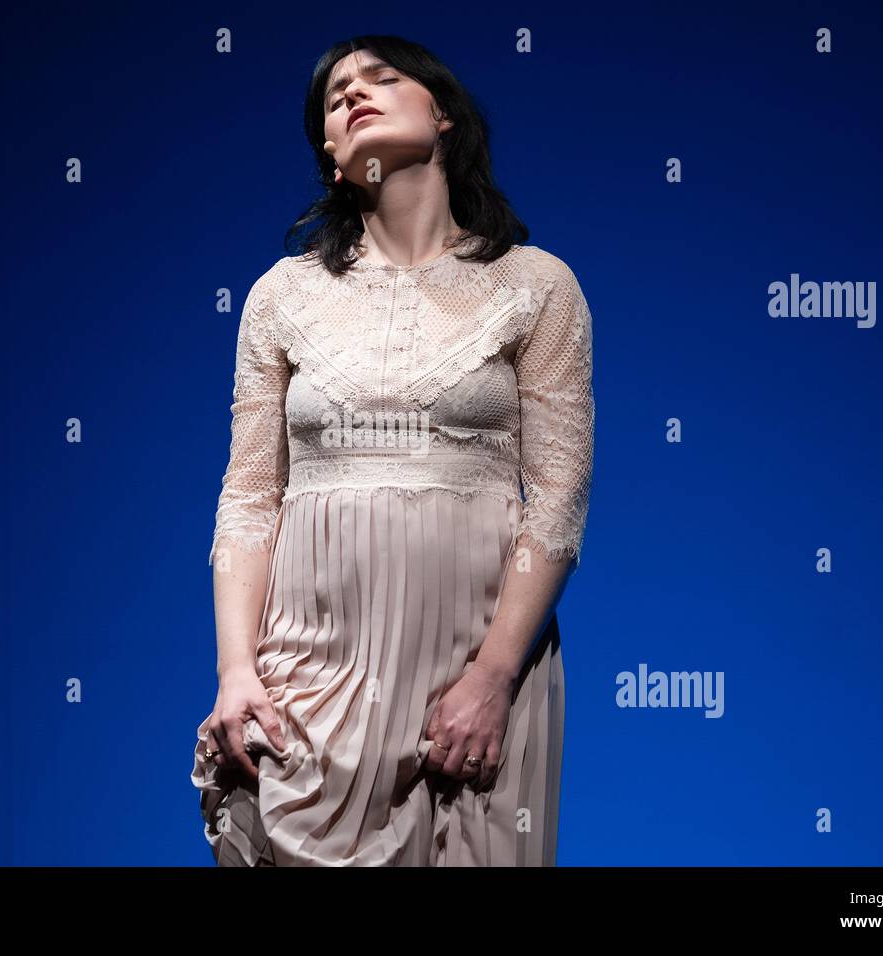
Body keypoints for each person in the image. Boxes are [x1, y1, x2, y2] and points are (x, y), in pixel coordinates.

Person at [191, 34, 594, 866]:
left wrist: (491, 679)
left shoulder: (536, 284)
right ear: (334, 158)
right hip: (307, 674)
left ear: (442, 114)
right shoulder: (280, 296)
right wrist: (236, 671)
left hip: (479, 678)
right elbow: (248, 498)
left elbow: (558, 500)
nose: (354, 95)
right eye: (335, 96)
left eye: (382, 77)